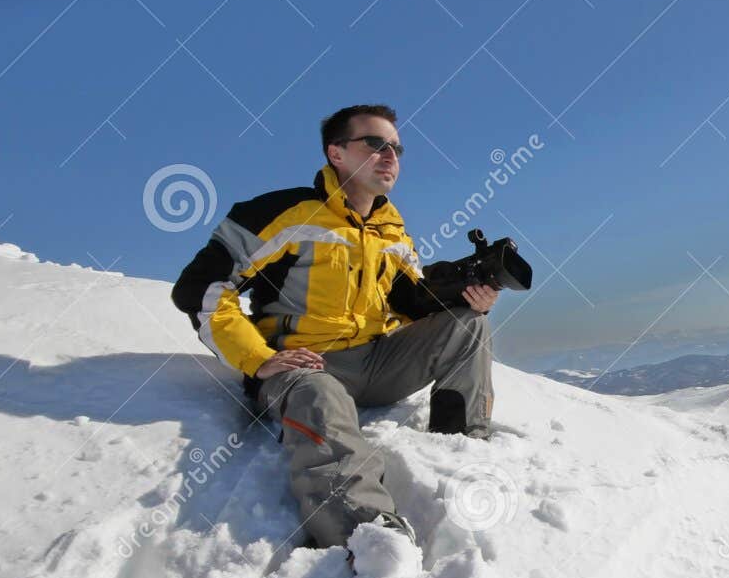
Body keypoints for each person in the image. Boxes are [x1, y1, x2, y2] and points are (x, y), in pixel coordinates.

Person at [170, 103, 497, 553]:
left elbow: (408, 302)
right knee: (319, 395)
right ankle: (368, 536)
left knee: (468, 324)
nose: (390, 157)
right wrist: (260, 359)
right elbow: (199, 289)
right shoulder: (282, 212)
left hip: (375, 363)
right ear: (336, 153)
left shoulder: (393, 231)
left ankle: (462, 448)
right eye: (376, 144)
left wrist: (465, 294)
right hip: (305, 368)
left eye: (397, 149)